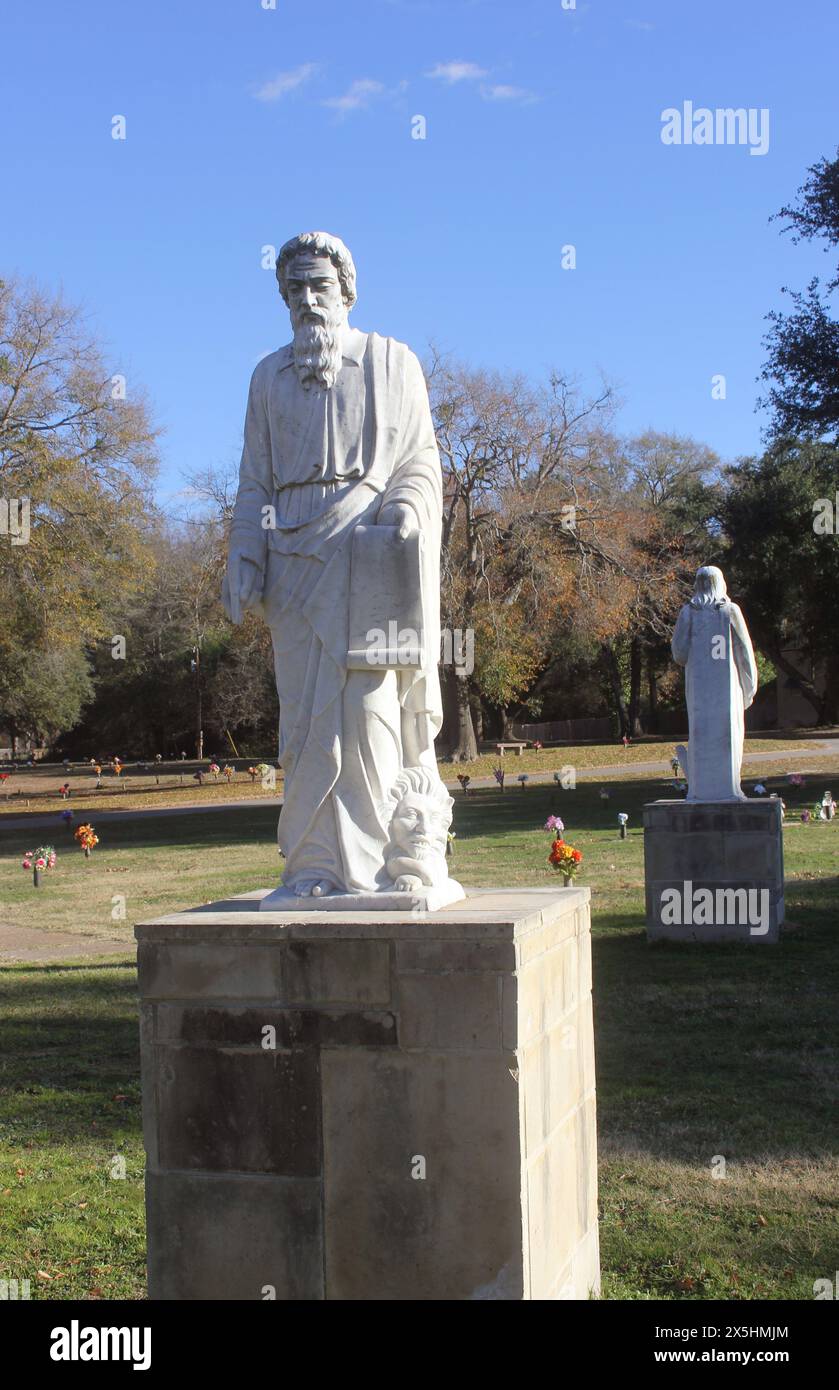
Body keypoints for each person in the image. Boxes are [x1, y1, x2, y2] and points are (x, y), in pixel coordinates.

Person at [223, 231, 454, 900]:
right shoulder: (266, 377)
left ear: (346, 291)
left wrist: (408, 508)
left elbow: (418, 458)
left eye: (318, 285)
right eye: (293, 288)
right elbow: (252, 481)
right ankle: (314, 867)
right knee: (303, 725)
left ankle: (381, 865)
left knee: (368, 713)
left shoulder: (391, 362)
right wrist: (242, 553)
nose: (306, 299)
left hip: (367, 554)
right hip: (291, 562)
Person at [671, 565, 758, 801]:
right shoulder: (730, 611)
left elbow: (678, 653)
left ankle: (700, 791)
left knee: (701, 734)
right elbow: (745, 654)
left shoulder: (688, 613)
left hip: (699, 690)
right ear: (721, 584)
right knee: (730, 735)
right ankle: (730, 789)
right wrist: (749, 689)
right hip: (728, 692)